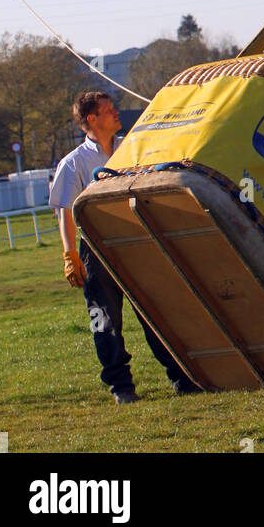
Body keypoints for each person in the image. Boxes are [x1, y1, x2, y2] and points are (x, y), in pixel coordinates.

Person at [49, 91, 201, 404]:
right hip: (96, 248)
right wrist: (69, 254)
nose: (116, 113)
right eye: (108, 110)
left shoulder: (132, 149)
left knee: (156, 314)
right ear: (91, 119)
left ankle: (181, 377)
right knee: (106, 320)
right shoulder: (74, 163)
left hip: (136, 242)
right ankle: (122, 387)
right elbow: (64, 212)